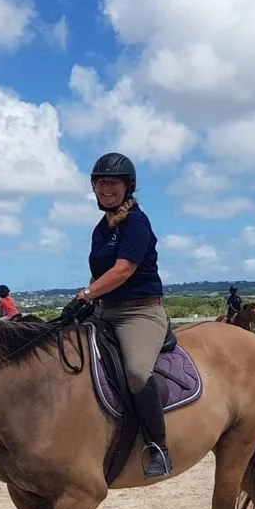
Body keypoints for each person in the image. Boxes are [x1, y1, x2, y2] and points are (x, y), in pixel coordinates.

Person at [73, 151, 171, 479]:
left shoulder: (136, 223)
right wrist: (87, 300)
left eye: (112, 182)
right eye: (100, 183)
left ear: (127, 186)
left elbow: (123, 270)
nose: (106, 188)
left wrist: (87, 294)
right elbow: (100, 273)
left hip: (140, 314)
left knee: (137, 372)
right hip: (105, 311)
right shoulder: (101, 229)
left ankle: (158, 446)